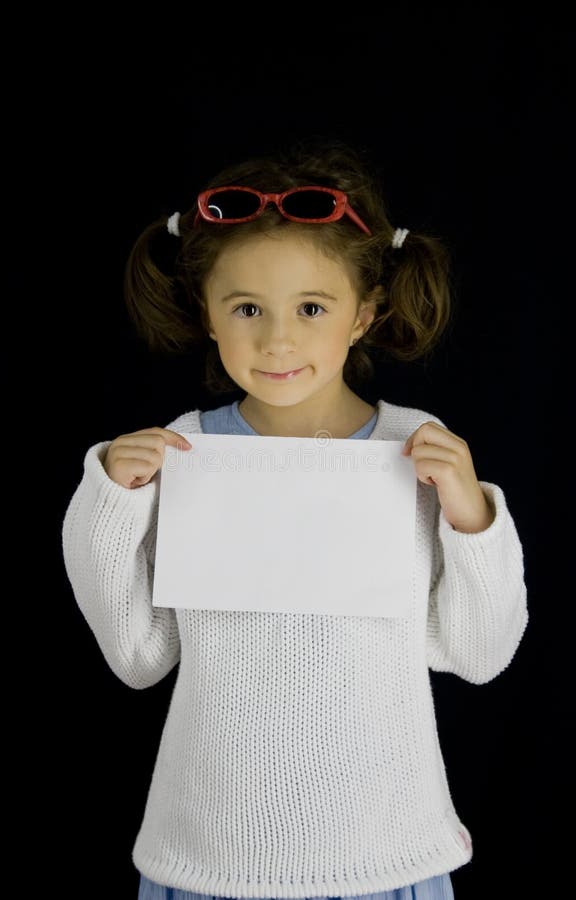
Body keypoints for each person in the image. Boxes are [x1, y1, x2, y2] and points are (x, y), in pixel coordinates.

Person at [62, 139, 528, 900]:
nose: (277, 339)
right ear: (208, 316)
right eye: (247, 308)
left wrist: (472, 517)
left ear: (364, 315)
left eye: (311, 307)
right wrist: (109, 502)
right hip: (207, 857)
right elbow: (140, 657)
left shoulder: (416, 450)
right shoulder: (184, 451)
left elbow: (475, 653)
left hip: (387, 859)